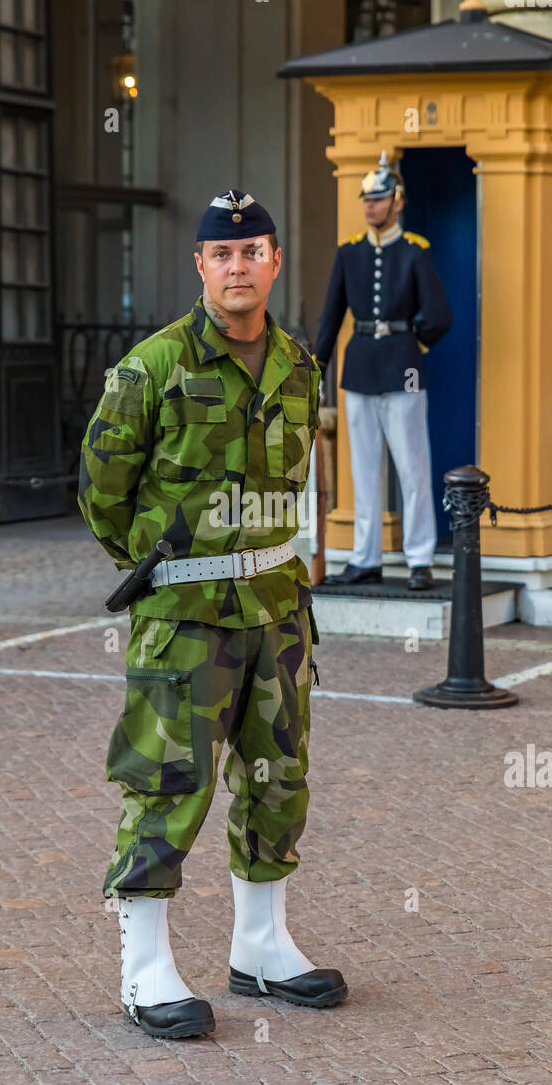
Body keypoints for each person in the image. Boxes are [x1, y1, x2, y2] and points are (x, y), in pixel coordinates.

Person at [78, 190, 347, 1040]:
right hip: (185, 615)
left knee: (278, 779)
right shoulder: (151, 367)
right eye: (223, 254)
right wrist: (161, 569)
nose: (239, 267)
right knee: (167, 783)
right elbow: (101, 492)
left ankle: (262, 947)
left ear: (273, 262)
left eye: (254, 251)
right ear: (201, 266)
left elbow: (298, 482)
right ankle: (145, 966)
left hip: (276, 610)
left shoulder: (299, 367)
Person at [313, 151, 452, 591]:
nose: (370, 206)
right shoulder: (349, 252)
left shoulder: (414, 251)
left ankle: (418, 558)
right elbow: (332, 316)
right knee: (364, 469)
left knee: (413, 468)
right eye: (366, 199)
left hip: (402, 370)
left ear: (397, 202)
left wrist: (415, 343)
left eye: (378, 199)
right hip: (358, 370)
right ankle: (365, 557)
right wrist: (317, 365)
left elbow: (438, 314)